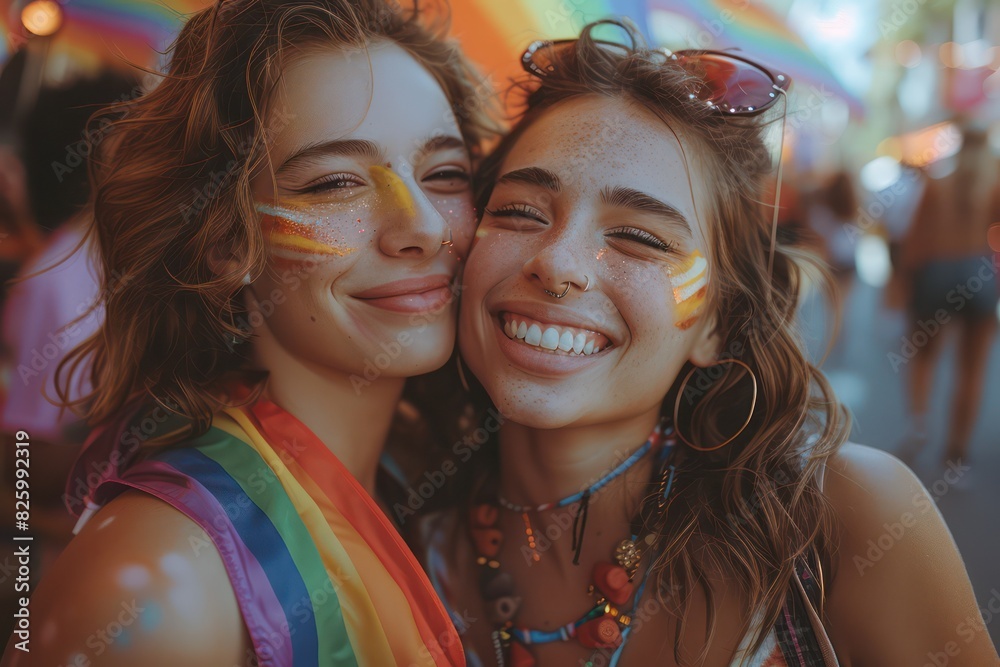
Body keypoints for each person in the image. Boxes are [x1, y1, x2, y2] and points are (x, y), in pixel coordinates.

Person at [417, 22, 999, 667]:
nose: (558, 264)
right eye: (521, 213)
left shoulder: (843, 523)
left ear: (717, 321)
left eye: (641, 238)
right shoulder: (404, 548)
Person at [2, 0, 496, 665]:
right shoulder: (167, 579)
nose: (425, 228)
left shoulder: (436, 484)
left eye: (445, 174)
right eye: (335, 183)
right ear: (225, 240)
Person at [895, 126, 999, 466]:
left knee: (924, 356)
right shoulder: (994, 185)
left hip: (936, 274)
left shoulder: (937, 184)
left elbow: (916, 240)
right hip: (980, 277)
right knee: (972, 369)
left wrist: (901, 283)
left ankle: (918, 426)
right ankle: (957, 451)